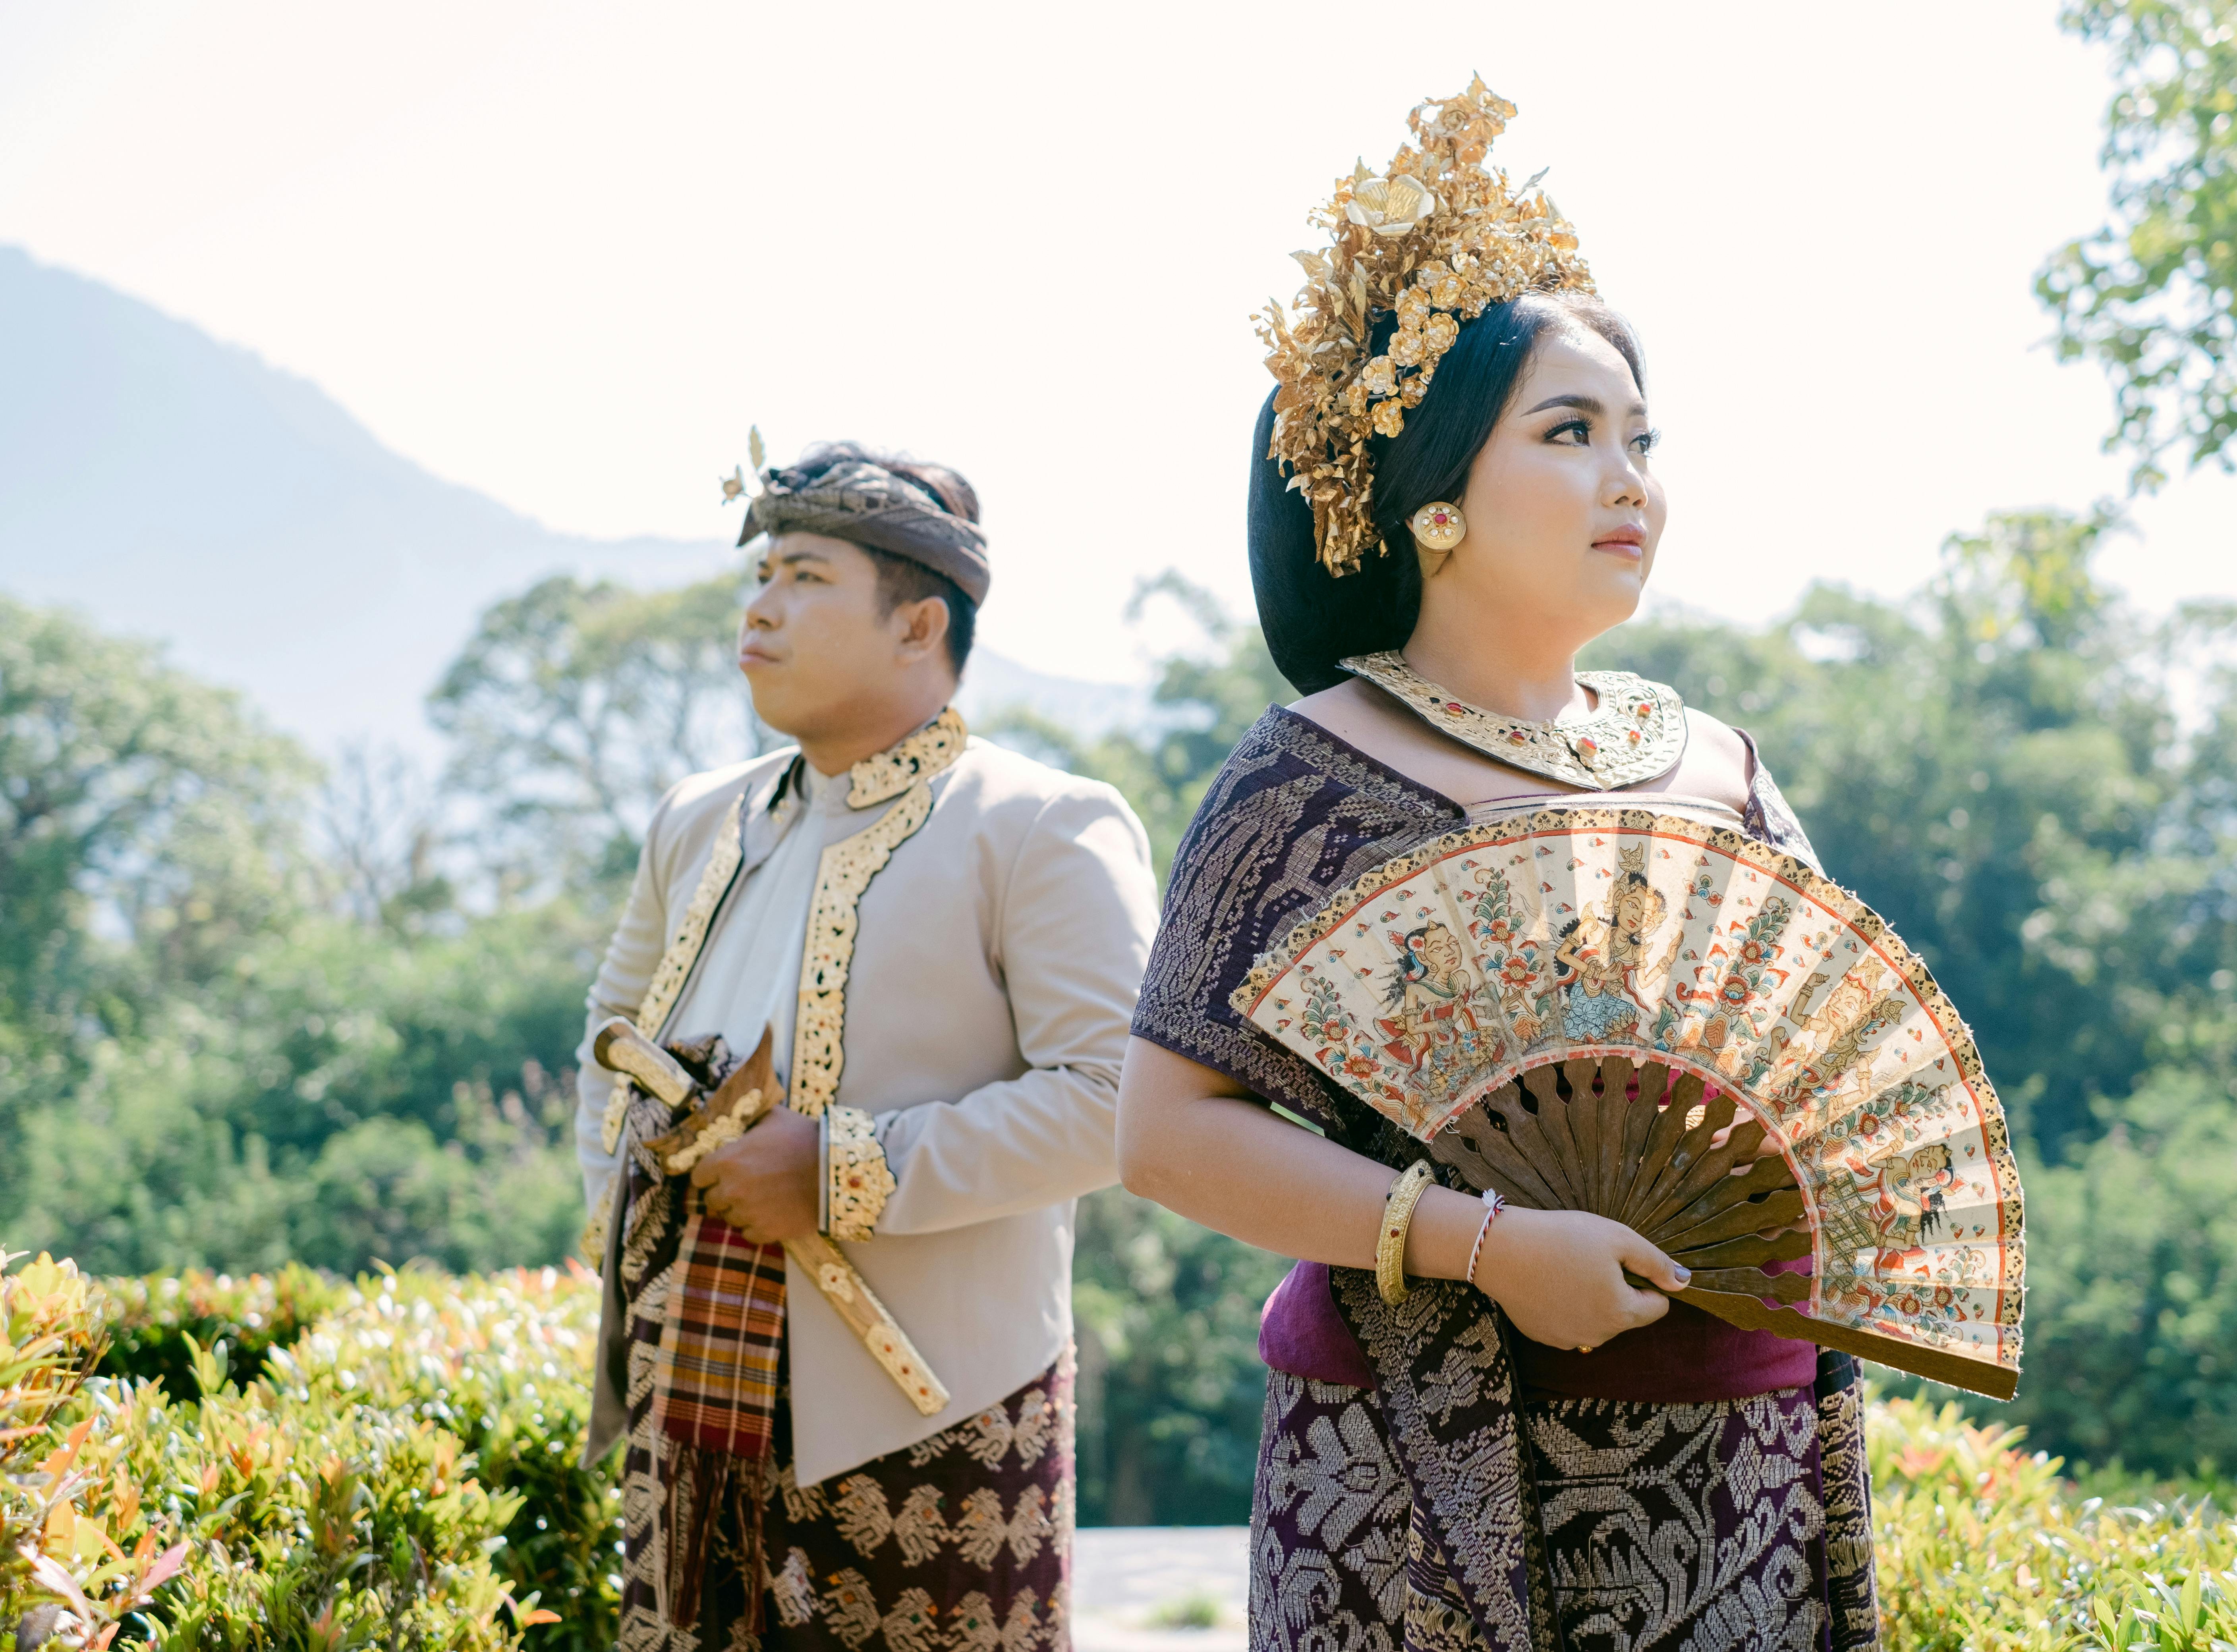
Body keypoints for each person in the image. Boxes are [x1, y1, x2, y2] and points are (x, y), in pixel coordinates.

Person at [1118, 81, 1879, 1652]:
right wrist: (1490, 1243)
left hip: (1740, 1459)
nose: (1632, 478)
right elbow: (1166, 1134)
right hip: (1413, 1468)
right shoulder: (1310, 773)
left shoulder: (1717, 761)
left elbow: (1847, 1070)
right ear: (1437, 503)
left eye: (1644, 439)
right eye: (1573, 433)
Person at [576, 441, 1157, 1652]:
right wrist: (622, 1238)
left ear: (918, 625)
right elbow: (610, 1041)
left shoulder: (1042, 825)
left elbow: (1119, 1102)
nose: (761, 605)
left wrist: (842, 1170)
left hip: (936, 1424)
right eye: (761, 574)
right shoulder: (699, 819)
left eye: (804, 576)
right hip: (690, 1404)